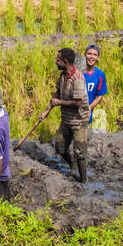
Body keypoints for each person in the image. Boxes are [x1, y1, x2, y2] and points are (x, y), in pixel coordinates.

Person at [42, 46, 89, 183]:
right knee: (60, 147)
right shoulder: (63, 76)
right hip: (66, 119)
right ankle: (72, 166)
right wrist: (47, 110)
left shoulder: (78, 78)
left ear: (66, 62)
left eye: (58, 60)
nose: (56, 62)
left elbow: (77, 103)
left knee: (79, 153)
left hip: (79, 120)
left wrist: (59, 102)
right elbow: (57, 92)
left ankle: (84, 180)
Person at [82, 43, 109, 131]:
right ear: (85, 55)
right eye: (89, 54)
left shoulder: (100, 74)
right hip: (71, 113)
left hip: (86, 114)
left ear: (98, 58)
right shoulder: (77, 72)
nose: (91, 57)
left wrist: (89, 108)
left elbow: (100, 95)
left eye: (95, 55)